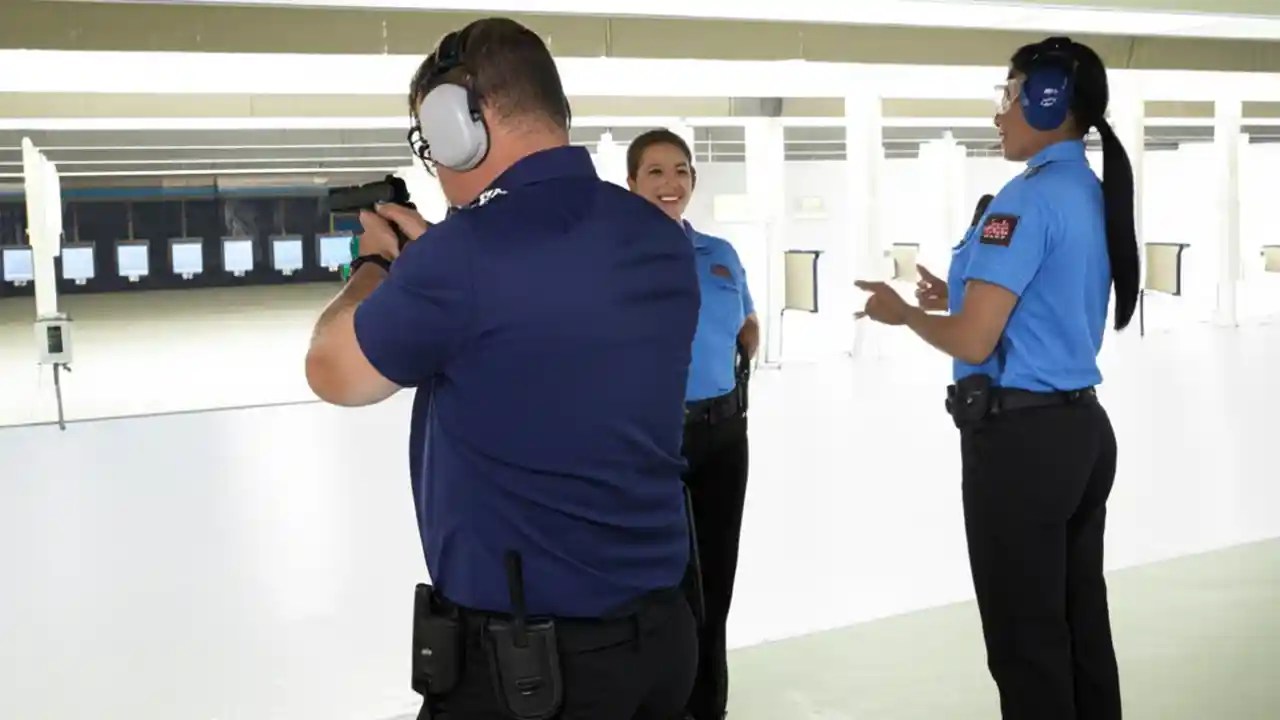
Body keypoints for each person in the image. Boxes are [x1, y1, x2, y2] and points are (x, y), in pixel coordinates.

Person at [304, 18, 701, 720]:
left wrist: (377, 268)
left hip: (532, 676)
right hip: (661, 647)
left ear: (458, 125)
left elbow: (334, 372)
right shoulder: (658, 237)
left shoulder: (460, 261)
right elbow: (535, 314)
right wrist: (434, 266)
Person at [856, 36, 1137, 720]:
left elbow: (974, 337)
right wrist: (950, 295)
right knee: (1077, 625)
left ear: (1047, 98)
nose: (998, 113)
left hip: (1022, 445)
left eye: (1007, 95)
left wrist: (901, 315)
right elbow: (1028, 309)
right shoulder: (1087, 192)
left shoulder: (1024, 200)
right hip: (1080, 434)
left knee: (1025, 641)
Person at [626, 128, 759, 720]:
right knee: (666, 586)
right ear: (631, 184)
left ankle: (709, 706)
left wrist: (739, 355)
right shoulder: (618, 259)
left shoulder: (719, 254)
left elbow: (747, 322)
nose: (670, 183)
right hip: (654, 438)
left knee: (718, 580)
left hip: (724, 434)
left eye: (680, 171)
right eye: (654, 172)